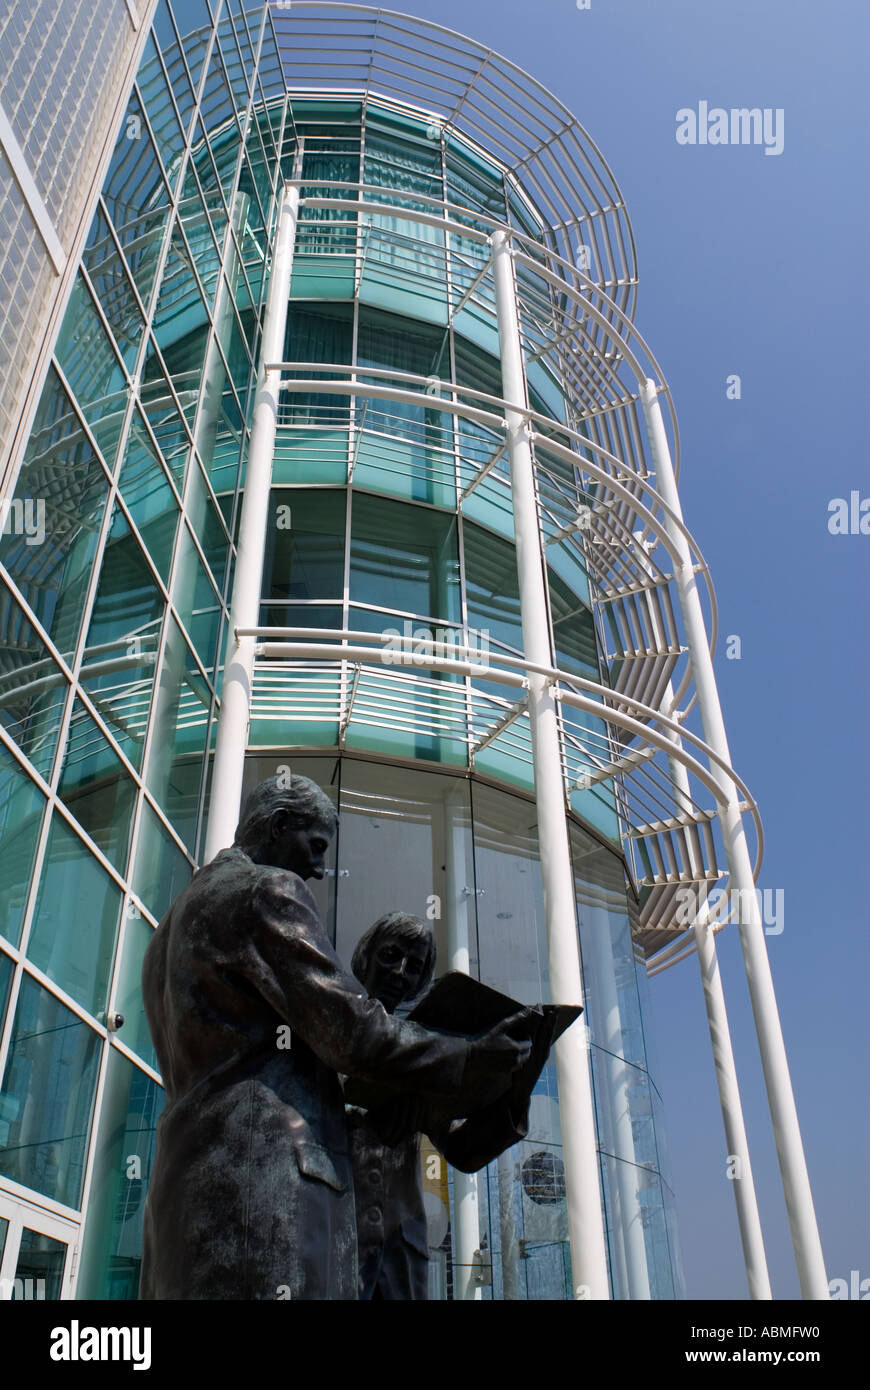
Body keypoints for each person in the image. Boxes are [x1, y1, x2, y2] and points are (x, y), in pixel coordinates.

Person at [139, 774, 530, 1301]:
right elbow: (351, 1032)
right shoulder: (266, 891)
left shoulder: (166, 933)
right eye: (315, 846)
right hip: (266, 1192)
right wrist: (470, 1058)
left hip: (186, 1191)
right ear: (279, 826)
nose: (320, 869)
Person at [348, 912, 533, 1301]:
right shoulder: (331, 1019)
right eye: (390, 956)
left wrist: (516, 1092)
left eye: (414, 966)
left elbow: (462, 1149)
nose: (399, 973)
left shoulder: (427, 1045)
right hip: (337, 1227)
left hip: (401, 1241)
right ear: (366, 955)